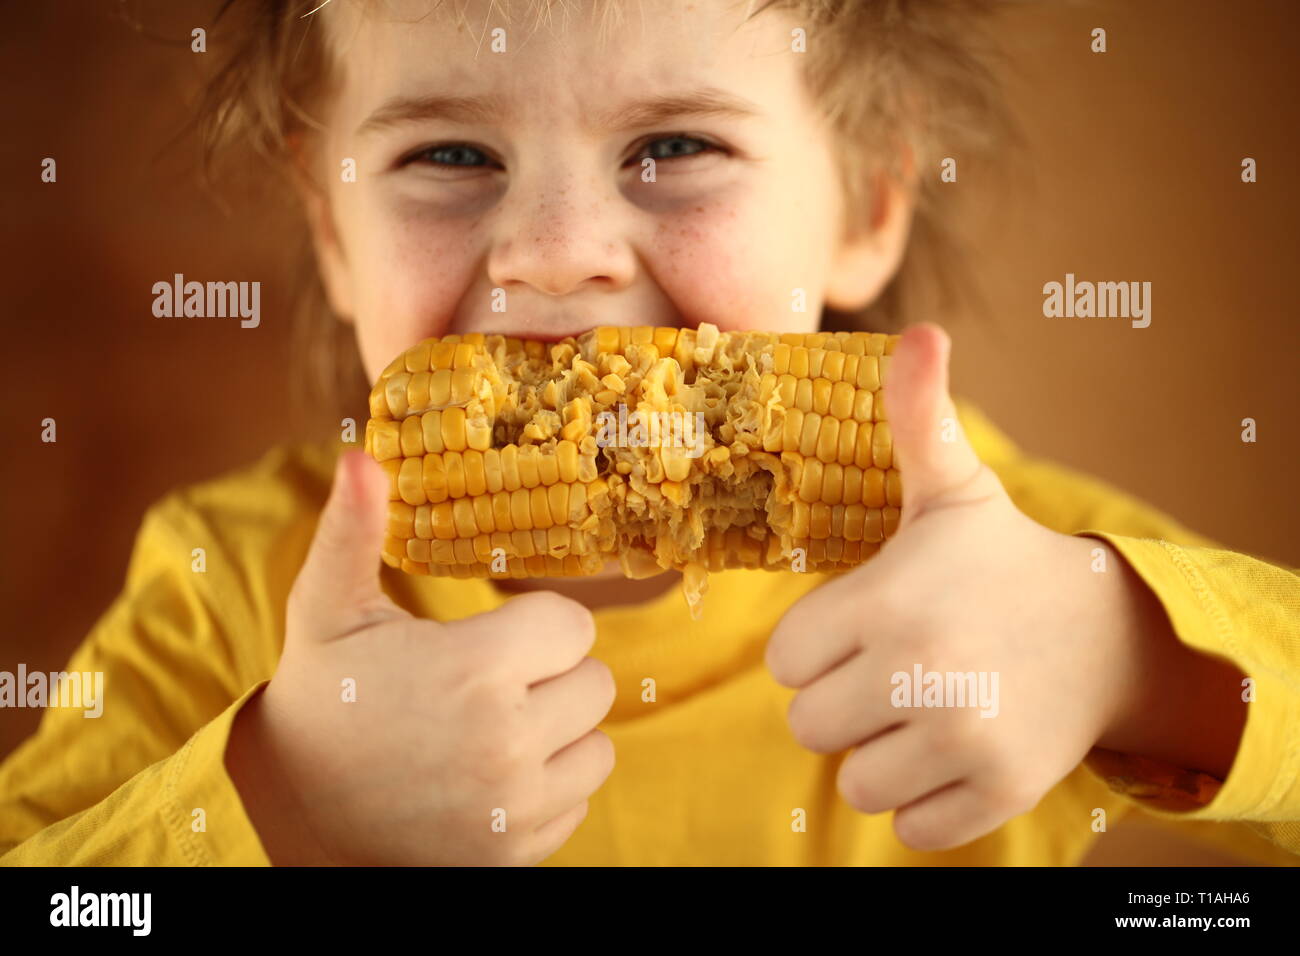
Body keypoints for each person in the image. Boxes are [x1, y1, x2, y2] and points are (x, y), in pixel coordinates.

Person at [2, 0, 1296, 866]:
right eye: (452, 156)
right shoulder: (233, 585)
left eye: (674, 145)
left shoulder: (1014, 571)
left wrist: (1137, 666)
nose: (559, 257)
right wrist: (275, 804)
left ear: (870, 199)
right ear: (332, 228)